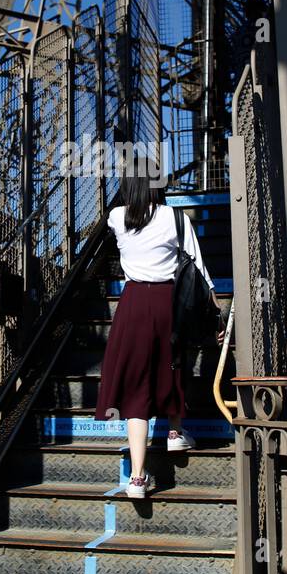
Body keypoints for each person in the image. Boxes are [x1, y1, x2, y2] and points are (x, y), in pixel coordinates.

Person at [94, 164, 220, 499]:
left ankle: (136, 478)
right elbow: (198, 265)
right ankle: (175, 432)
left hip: (132, 302)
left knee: (135, 385)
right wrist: (215, 311)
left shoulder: (116, 217)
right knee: (172, 363)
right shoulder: (175, 218)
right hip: (167, 299)